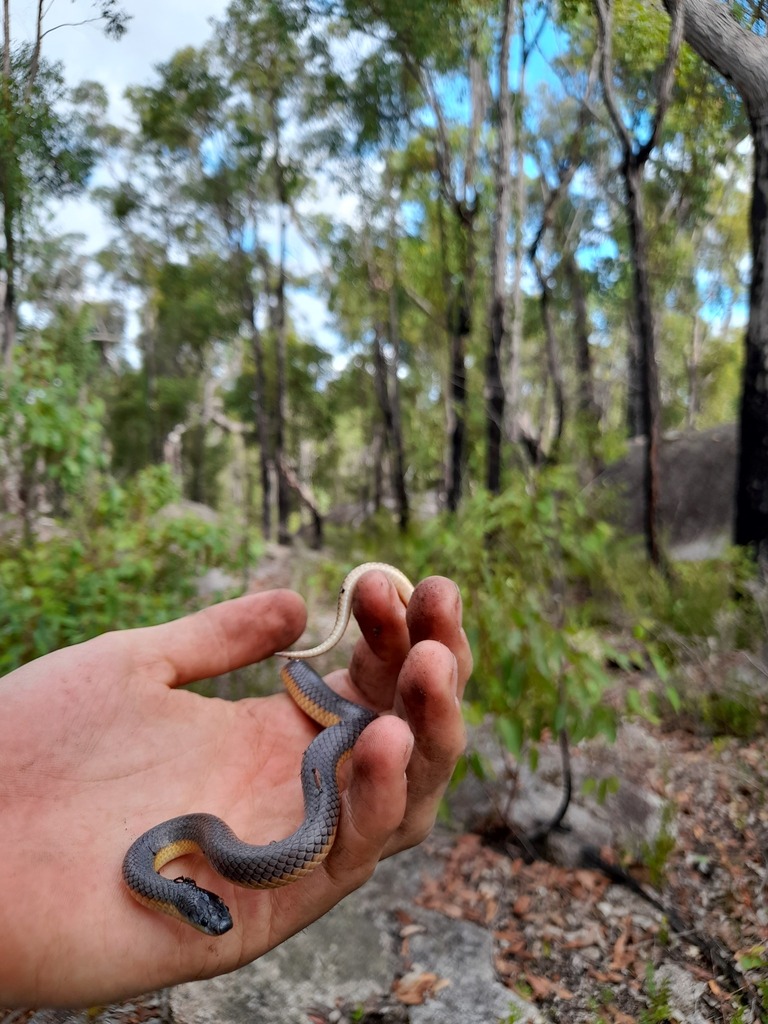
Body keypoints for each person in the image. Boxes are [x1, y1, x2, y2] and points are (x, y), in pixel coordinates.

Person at [0, 570, 470, 1009]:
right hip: (316, 743)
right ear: (177, 895)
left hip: (329, 727)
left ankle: (336, 706)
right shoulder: (155, 870)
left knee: (373, 733)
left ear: (187, 887)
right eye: (206, 919)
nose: (215, 925)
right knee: (368, 732)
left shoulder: (168, 854)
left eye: (208, 915)